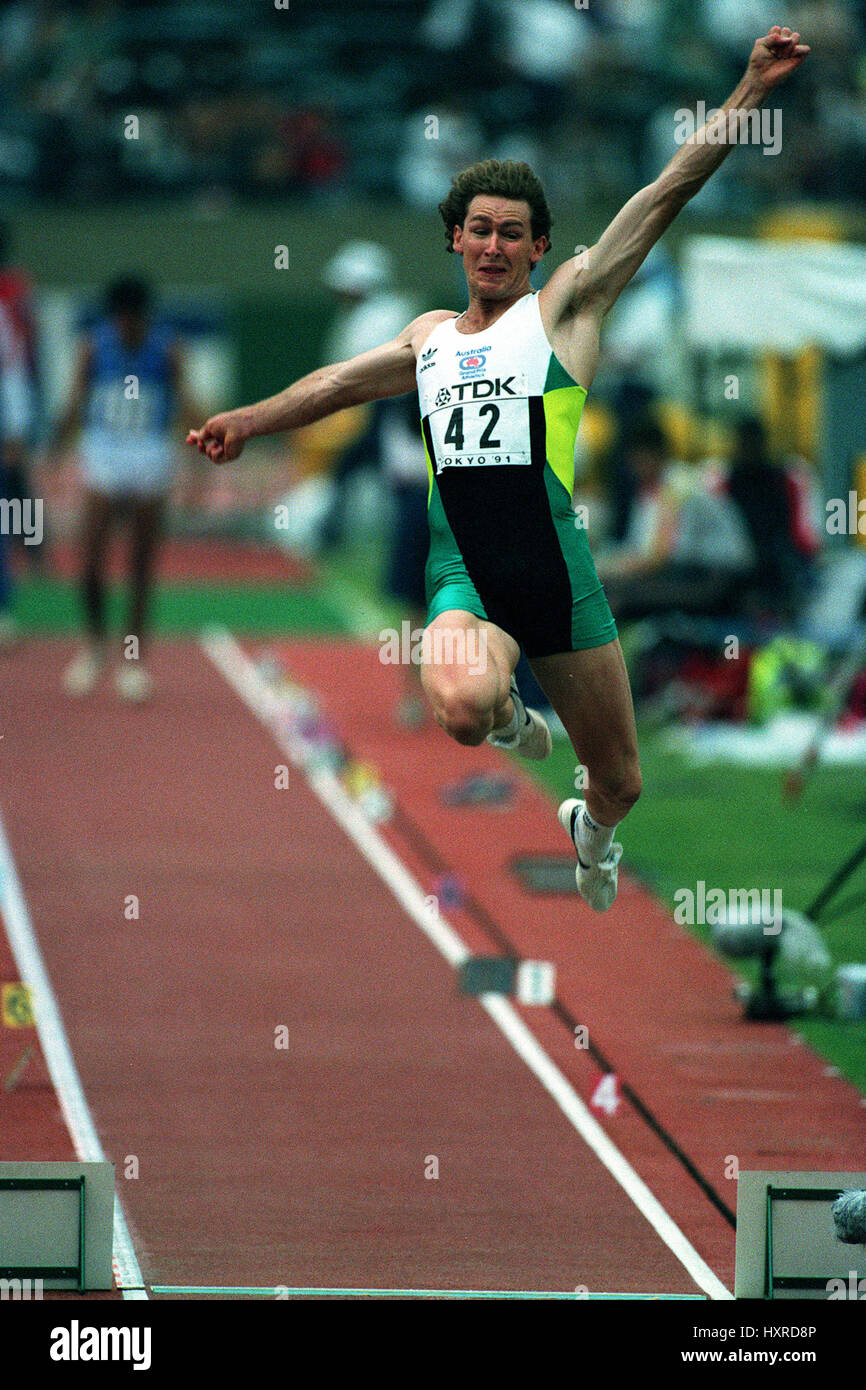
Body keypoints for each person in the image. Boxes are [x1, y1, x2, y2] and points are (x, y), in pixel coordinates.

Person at [189, 26, 810, 911]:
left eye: (511, 234)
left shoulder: (566, 313)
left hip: (559, 576)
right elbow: (335, 384)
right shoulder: (429, 340)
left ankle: (589, 829)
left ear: (538, 247)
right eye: (478, 230)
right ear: (454, 239)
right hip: (465, 574)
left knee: (622, 781)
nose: (492, 246)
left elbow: (666, 191)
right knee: (460, 709)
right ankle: (509, 714)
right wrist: (247, 422)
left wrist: (749, 89)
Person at [52, 275, 196, 701]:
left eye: (133, 318)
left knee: (141, 564)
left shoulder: (166, 349)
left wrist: (203, 450)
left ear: (144, 317)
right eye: (120, 318)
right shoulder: (94, 348)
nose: (126, 326)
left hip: (150, 453)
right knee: (91, 558)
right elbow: (76, 400)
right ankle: (95, 645)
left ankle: (133, 660)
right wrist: (56, 445)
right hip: (105, 452)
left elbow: (186, 402)